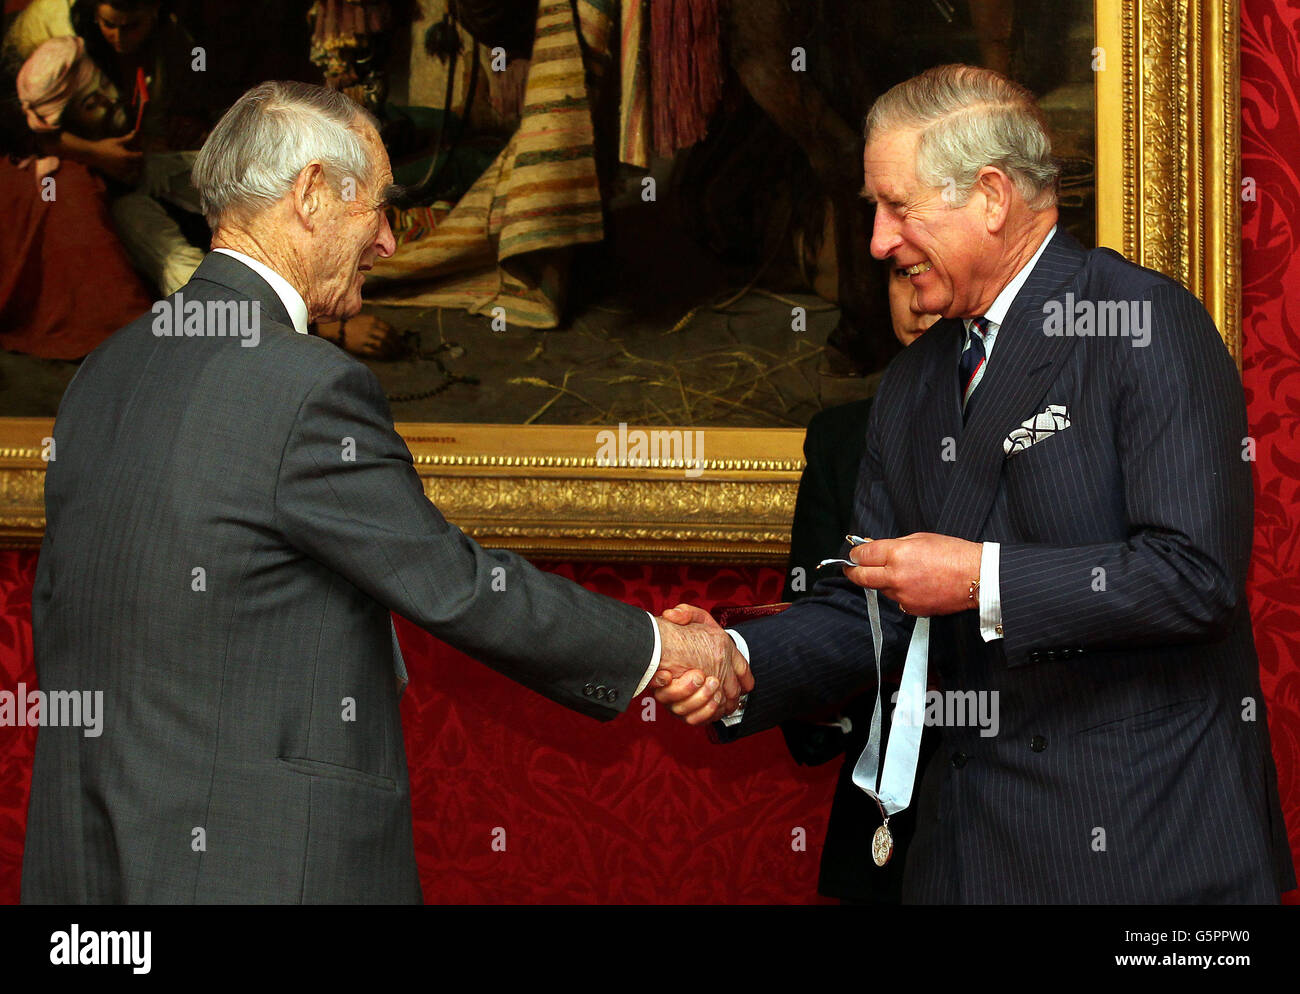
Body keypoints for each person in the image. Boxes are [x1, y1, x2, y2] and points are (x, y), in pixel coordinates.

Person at [21, 80, 749, 904]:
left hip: (91, 865)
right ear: (309, 194)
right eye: (376, 207)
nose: (388, 242)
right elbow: (456, 585)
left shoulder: (105, 369)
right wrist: (661, 649)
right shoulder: (303, 383)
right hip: (257, 866)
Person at [654, 64, 1295, 903]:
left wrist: (978, 579)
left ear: (991, 197)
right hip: (965, 857)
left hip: (1145, 849)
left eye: (898, 207)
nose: (878, 242)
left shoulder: (1141, 323)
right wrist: (734, 657)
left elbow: (1194, 579)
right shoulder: (913, 382)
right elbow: (872, 608)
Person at [776, 264, 940, 903]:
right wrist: (737, 658)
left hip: (1035, 802)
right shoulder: (842, 439)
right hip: (884, 803)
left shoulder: (1054, 428)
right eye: (903, 275)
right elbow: (813, 611)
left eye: (932, 271)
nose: (918, 299)